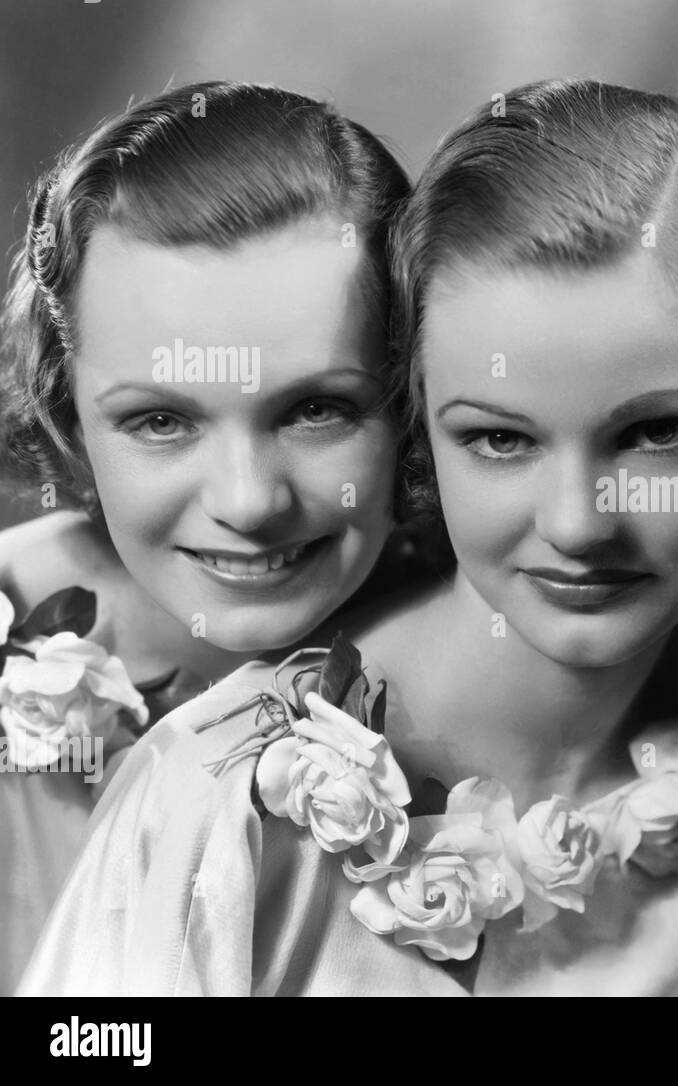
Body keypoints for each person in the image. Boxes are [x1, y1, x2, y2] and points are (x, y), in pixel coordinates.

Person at [20, 79, 678, 996]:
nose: (579, 523)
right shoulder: (214, 807)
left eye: (659, 433)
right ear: (420, 431)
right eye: (500, 438)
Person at [0, 80, 411, 994]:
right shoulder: (10, 627)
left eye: (316, 410)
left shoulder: (509, 636)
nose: (250, 501)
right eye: (160, 422)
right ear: (69, 414)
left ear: (414, 391)